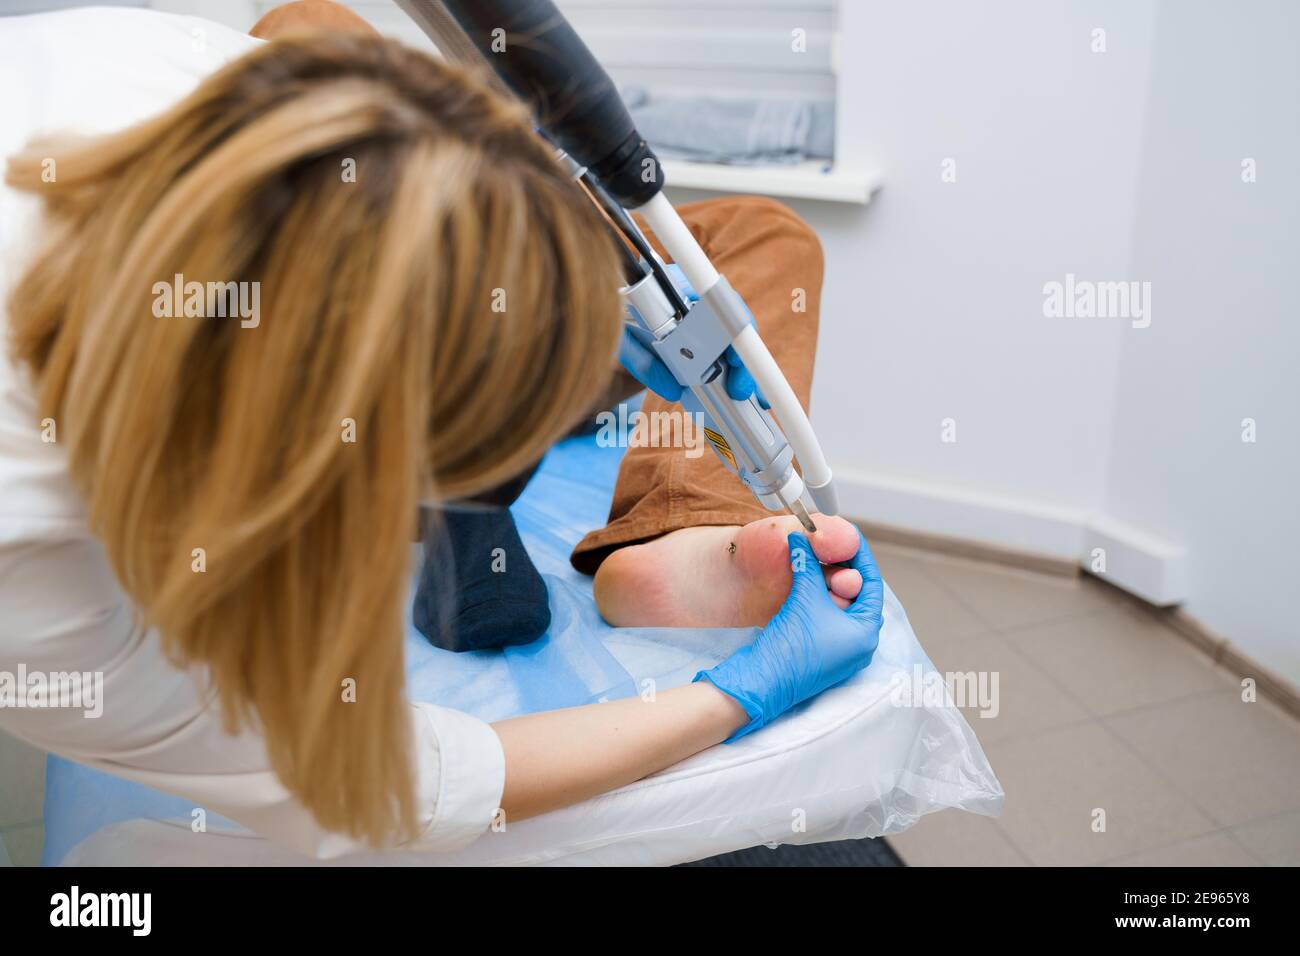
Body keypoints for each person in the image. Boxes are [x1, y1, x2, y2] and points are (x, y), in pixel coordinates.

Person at [0, 2, 882, 858]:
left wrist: (583, 289)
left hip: (432, 266)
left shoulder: (164, 74)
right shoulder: (36, 579)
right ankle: (547, 504)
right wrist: (737, 696)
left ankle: (653, 529)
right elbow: (395, 786)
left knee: (765, 233)